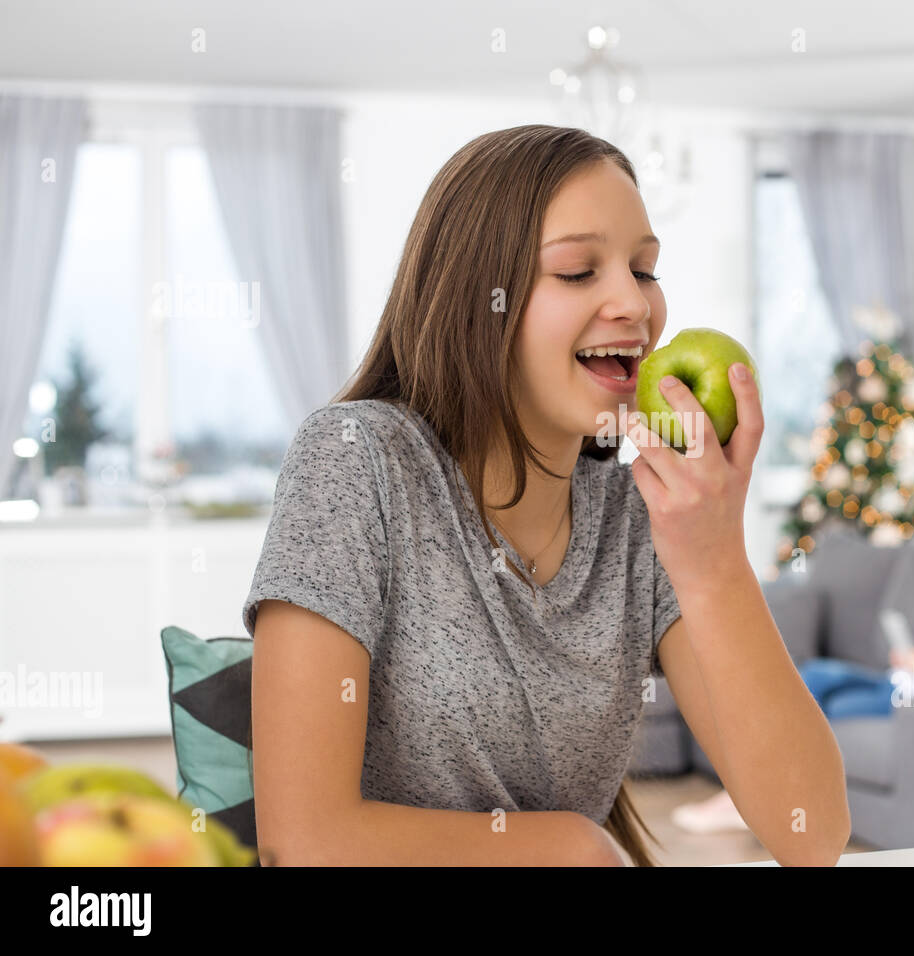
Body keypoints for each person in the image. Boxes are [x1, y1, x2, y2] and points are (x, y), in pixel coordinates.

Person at [243, 125, 850, 867]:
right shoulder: (356, 460)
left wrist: (716, 558)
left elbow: (811, 832)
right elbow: (299, 843)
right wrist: (571, 847)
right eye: (576, 272)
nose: (634, 304)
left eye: (644, 270)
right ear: (477, 300)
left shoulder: (638, 520)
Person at [672, 557, 914, 834]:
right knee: (820, 690)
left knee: (817, 682)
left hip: (903, 700)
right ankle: (749, 799)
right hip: (893, 683)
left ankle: (745, 800)